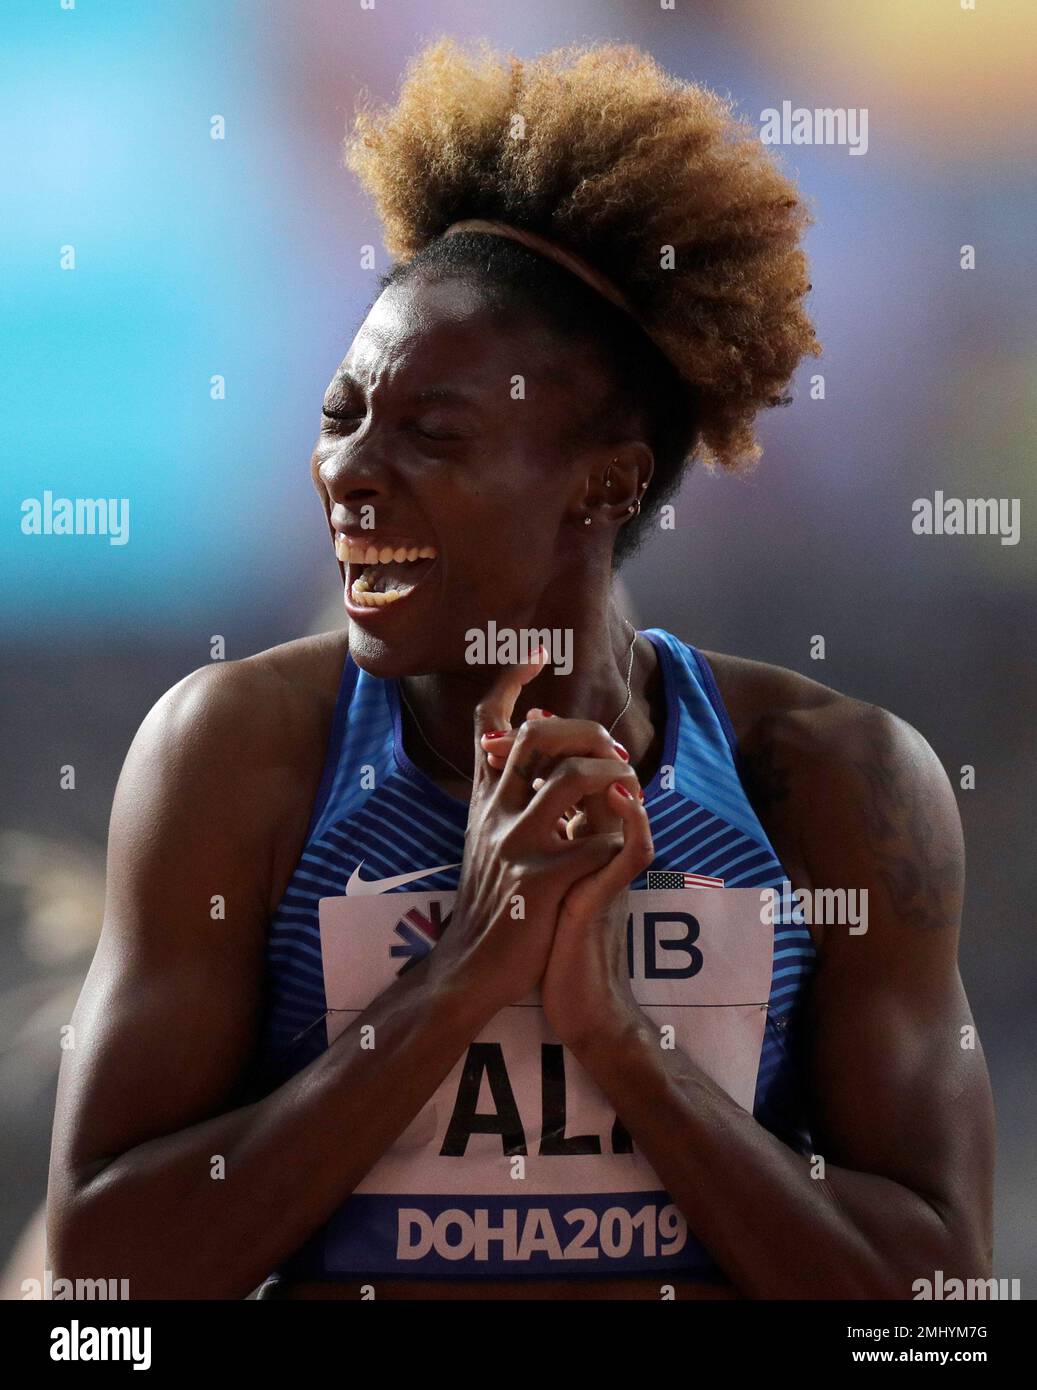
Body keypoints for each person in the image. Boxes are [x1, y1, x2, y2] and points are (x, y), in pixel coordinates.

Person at [46, 38, 994, 1300]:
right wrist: (459, 977)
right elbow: (103, 1283)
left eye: (432, 434)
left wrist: (622, 1043)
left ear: (600, 483)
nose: (346, 474)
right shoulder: (234, 753)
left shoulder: (830, 784)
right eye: (341, 415)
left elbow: (935, 1304)